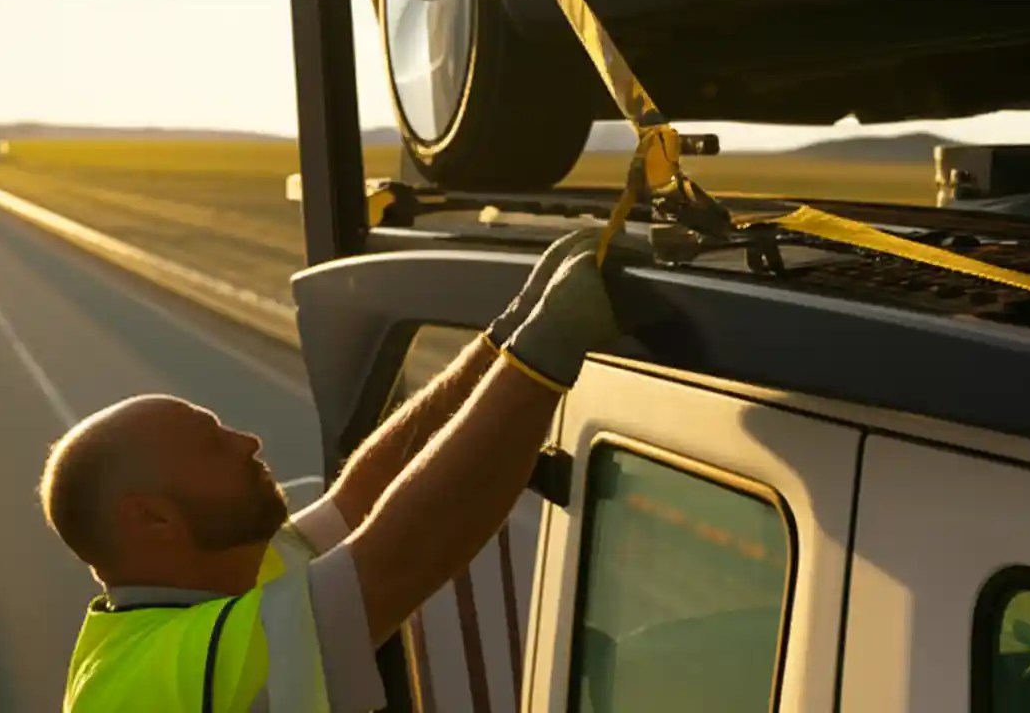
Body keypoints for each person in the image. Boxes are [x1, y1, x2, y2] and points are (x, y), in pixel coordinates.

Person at [39, 229, 619, 712]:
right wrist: (546, 352)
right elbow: (404, 556)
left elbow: (360, 498)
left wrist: (508, 335)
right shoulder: (172, 679)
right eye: (213, 446)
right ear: (153, 519)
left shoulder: (218, 579)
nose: (248, 442)